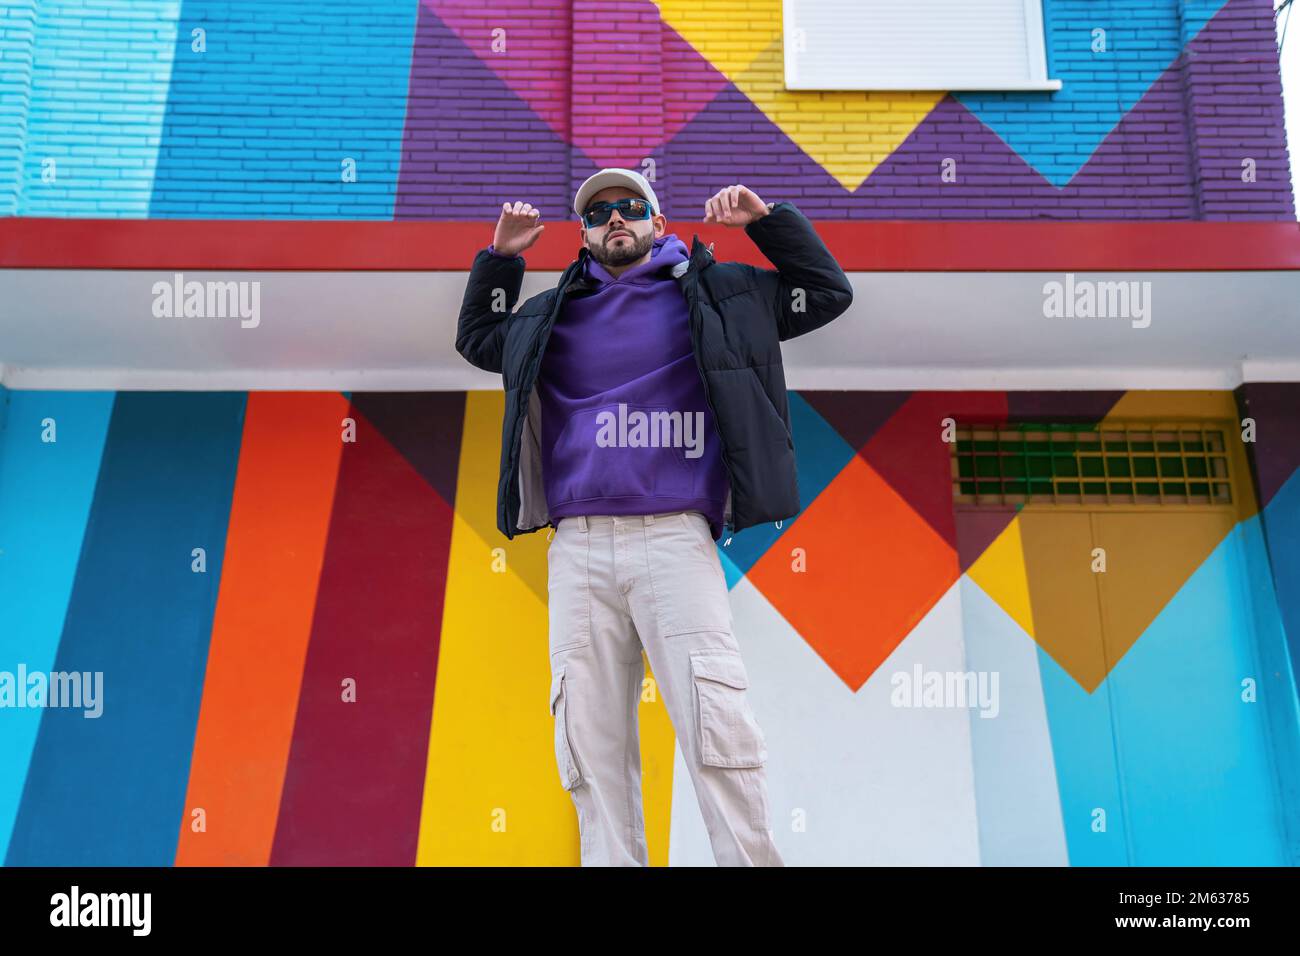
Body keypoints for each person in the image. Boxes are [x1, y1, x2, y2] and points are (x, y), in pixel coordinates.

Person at [455, 168, 853, 866]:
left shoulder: (722, 295)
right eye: (599, 212)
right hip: (577, 546)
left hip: (674, 536)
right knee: (589, 737)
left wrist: (765, 224)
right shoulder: (550, 316)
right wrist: (504, 258)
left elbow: (826, 292)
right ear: (582, 236)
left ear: (658, 224)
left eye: (631, 207)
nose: (616, 218)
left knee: (715, 725)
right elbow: (479, 337)